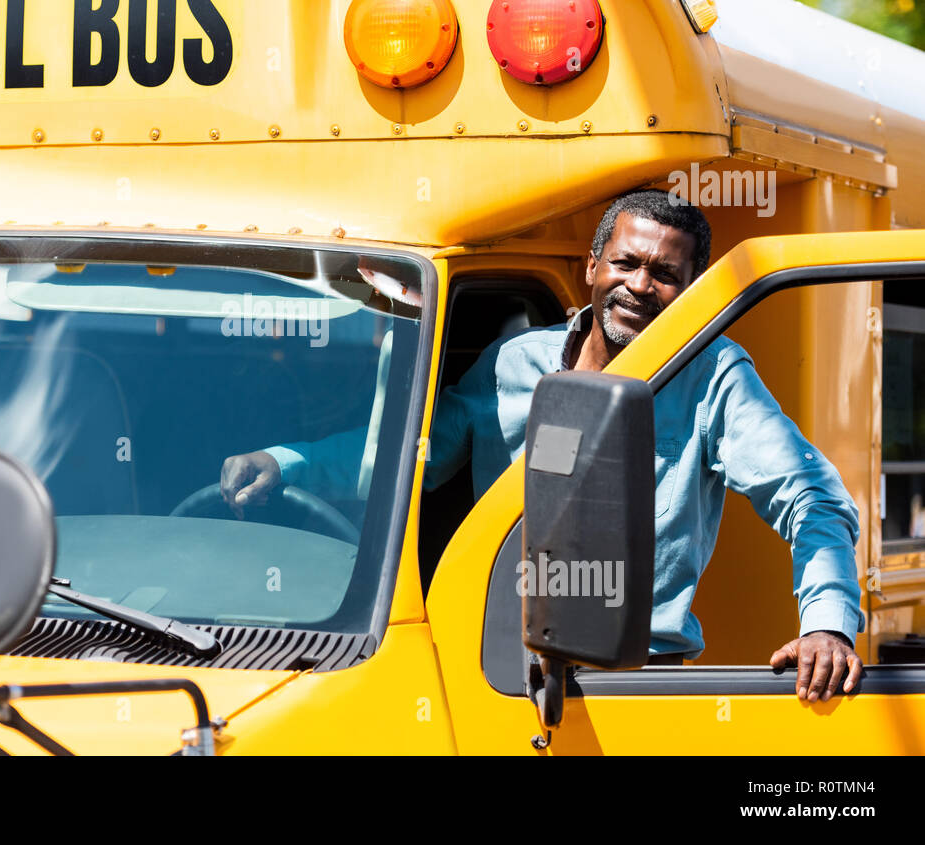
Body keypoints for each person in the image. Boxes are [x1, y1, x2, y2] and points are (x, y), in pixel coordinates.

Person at [219, 189, 865, 701]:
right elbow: (410, 454)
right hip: (494, 671)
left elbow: (811, 496)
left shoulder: (714, 374)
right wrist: (288, 462)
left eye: (665, 274)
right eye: (627, 262)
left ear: (691, 292)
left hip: (637, 679)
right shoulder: (513, 363)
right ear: (592, 266)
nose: (640, 285)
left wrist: (828, 622)